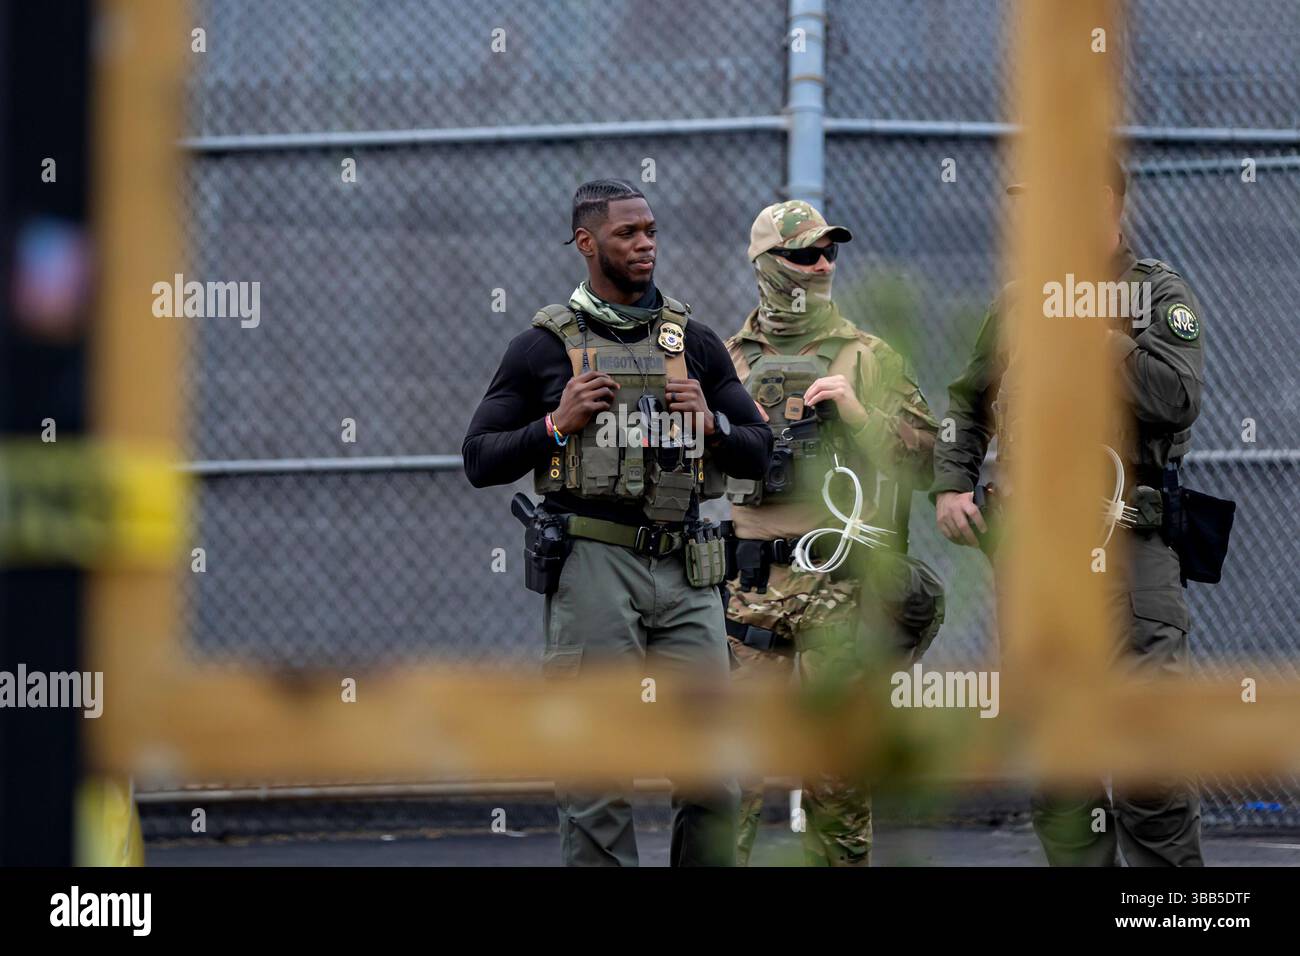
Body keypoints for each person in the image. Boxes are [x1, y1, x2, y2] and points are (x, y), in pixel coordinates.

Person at [462, 179, 772, 866]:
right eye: (628, 233)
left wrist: (714, 426)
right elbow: (478, 458)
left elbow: (762, 452)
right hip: (594, 566)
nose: (645, 244)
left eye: (651, 231)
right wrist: (554, 424)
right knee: (598, 772)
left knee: (713, 770)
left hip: (688, 571)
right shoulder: (543, 347)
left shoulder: (692, 344)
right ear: (586, 242)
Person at [931, 157, 1205, 866]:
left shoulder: (1155, 293)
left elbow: (1176, 397)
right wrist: (952, 485)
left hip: (1129, 548)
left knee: (1149, 762)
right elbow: (967, 401)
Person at [722, 200, 941, 866]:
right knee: (733, 779)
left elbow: (930, 462)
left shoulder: (867, 357)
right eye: (803, 254)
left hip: (838, 595)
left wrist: (857, 413)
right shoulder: (725, 360)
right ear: (766, 265)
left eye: (829, 252)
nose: (821, 266)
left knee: (839, 780)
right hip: (747, 595)